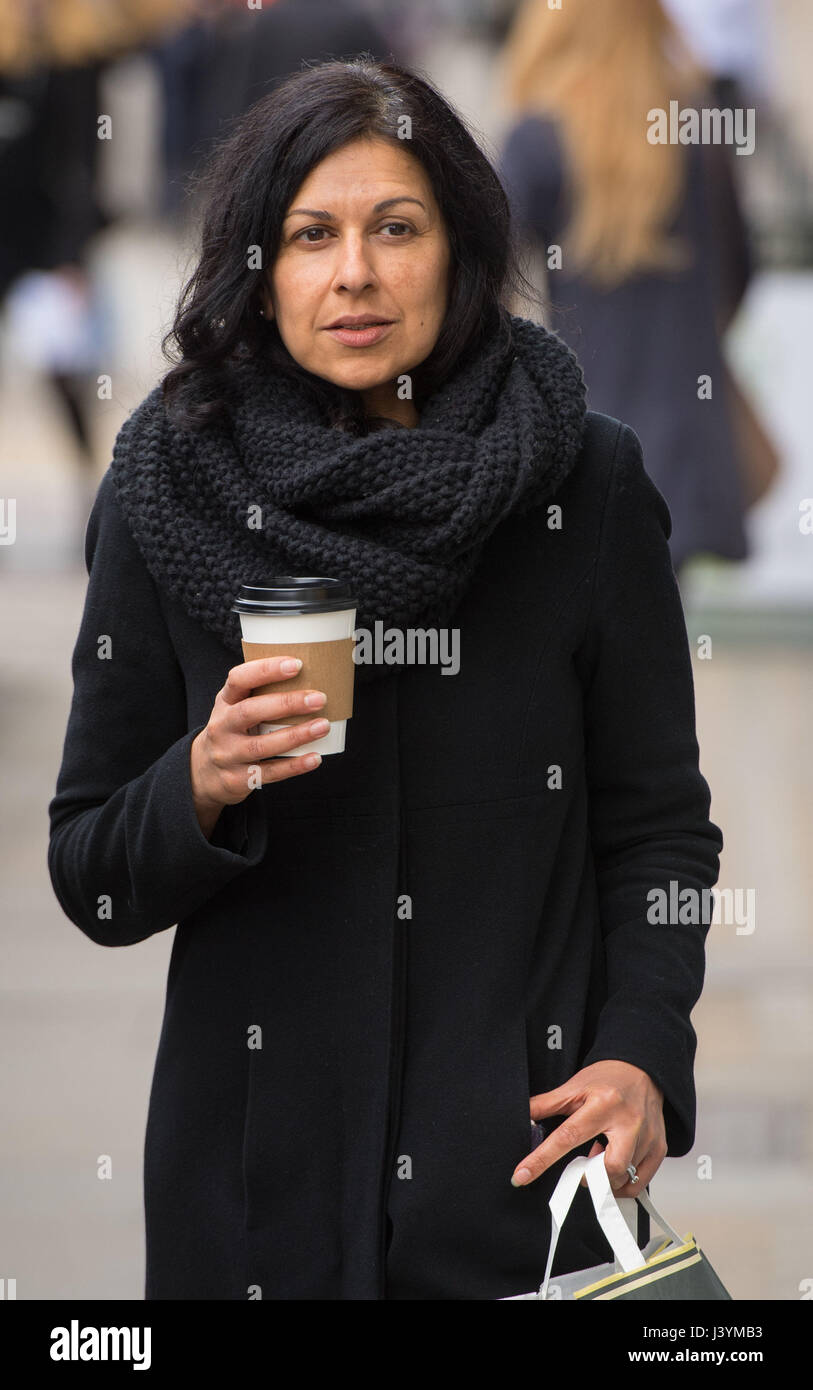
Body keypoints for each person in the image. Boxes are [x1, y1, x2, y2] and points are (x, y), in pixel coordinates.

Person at [47, 57, 723, 1301]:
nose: (353, 272)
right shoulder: (166, 489)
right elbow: (90, 873)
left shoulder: (586, 483)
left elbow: (661, 833)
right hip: (249, 1205)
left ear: (460, 246)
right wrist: (198, 784)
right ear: (259, 271)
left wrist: (641, 1056)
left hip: (523, 1195)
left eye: (394, 228)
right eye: (311, 236)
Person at [499, 0, 757, 578]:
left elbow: (486, 274)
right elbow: (740, 273)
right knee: (657, 630)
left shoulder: (539, 137)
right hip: (689, 429)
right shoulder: (698, 131)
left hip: (584, 424)